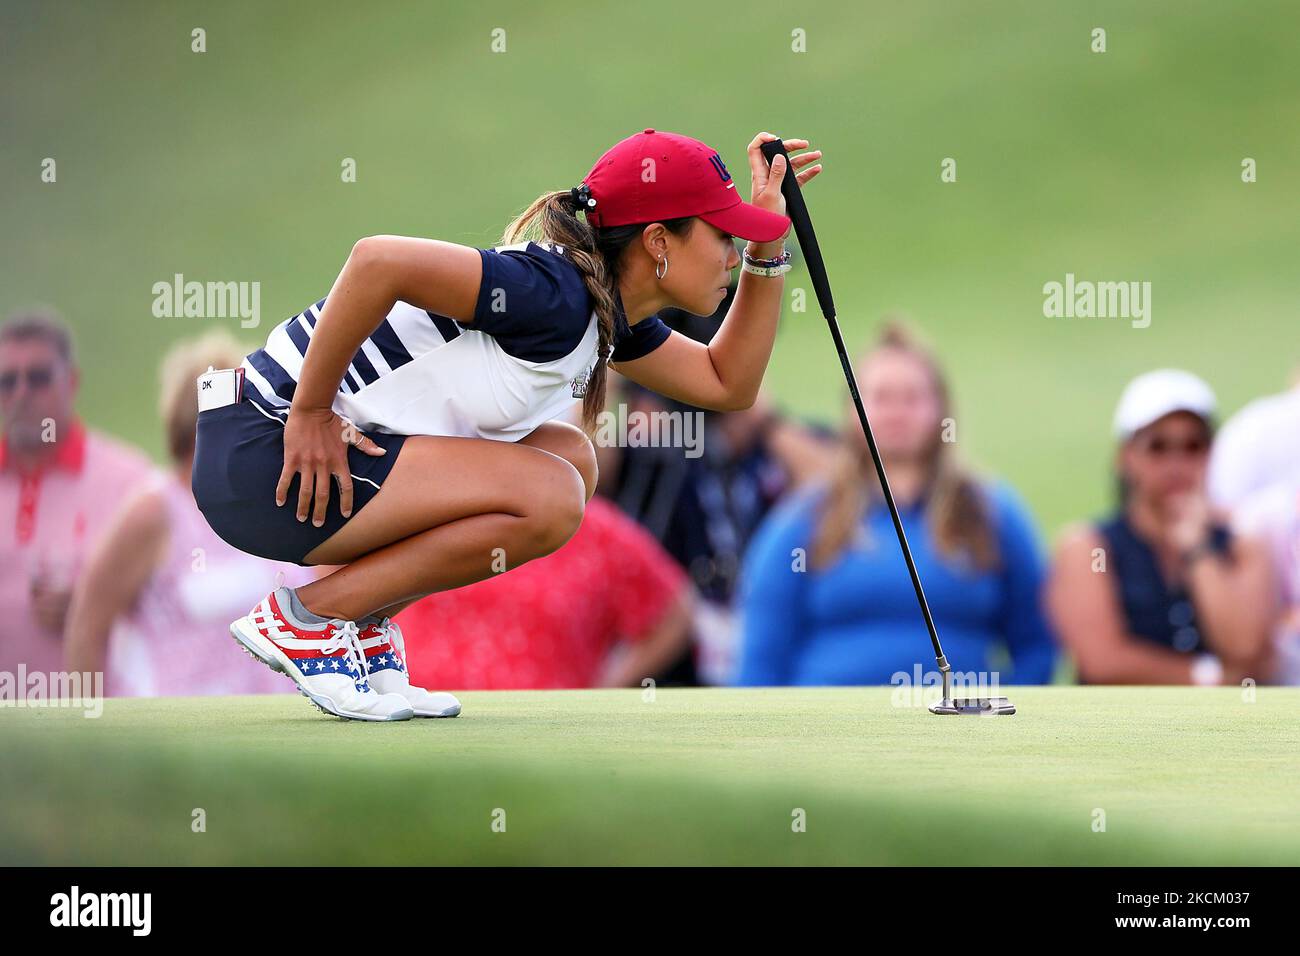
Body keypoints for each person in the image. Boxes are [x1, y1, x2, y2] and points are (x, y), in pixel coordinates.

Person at [190, 129, 824, 721]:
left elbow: (726, 383)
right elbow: (376, 261)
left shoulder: (603, 313)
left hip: (301, 461)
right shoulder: (551, 290)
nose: (733, 255)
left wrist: (771, 249)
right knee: (549, 495)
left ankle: (362, 624)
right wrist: (310, 411)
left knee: (571, 458)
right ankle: (309, 618)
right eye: (723, 236)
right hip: (267, 453)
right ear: (658, 242)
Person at [735, 321, 1056, 686]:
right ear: (853, 412)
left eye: (912, 398)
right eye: (882, 398)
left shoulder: (993, 513)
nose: (897, 412)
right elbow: (759, 660)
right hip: (833, 736)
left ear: (940, 409)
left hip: (961, 731)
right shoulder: (801, 521)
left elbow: (1037, 645)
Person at [63, 332, 315, 695]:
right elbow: (87, 625)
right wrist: (90, 736)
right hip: (175, 738)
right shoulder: (155, 510)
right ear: (202, 428)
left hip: (276, 739)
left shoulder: (271, 504)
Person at [1046, 370, 1276, 685]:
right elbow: (1102, 662)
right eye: (1158, 446)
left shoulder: (1242, 541)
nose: (1177, 463)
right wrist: (1209, 677)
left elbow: (1246, 647)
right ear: (1125, 457)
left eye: (1192, 446)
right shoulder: (1087, 546)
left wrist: (1198, 551)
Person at [394, 494, 692, 689]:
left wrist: (606, 690)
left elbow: (674, 611)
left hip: (544, 743)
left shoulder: (591, 528)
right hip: (418, 727)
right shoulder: (431, 508)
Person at [0, 309, 153, 679]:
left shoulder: (129, 482)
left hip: (97, 726)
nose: (22, 393)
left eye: (38, 378)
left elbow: (175, 600)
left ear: (71, 381)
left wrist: (95, 606)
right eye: (7, 381)